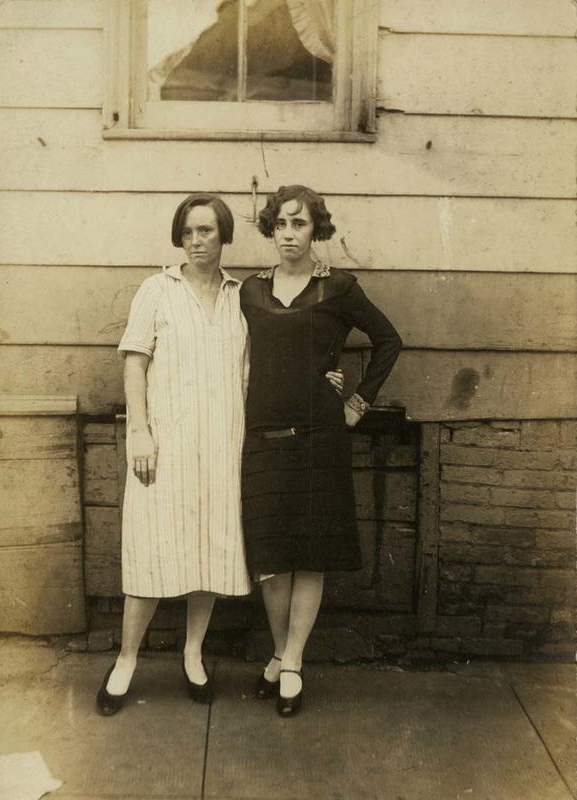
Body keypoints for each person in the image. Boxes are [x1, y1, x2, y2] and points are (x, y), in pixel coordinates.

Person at [96, 193, 343, 715]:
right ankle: (125, 659)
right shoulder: (157, 290)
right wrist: (138, 431)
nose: (197, 241)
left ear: (224, 235)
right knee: (151, 550)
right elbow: (135, 364)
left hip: (227, 447)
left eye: (206, 231)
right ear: (179, 237)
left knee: (206, 553)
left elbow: (279, 352)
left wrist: (326, 377)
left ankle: (192, 654)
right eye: (188, 232)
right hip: (164, 448)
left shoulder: (243, 296)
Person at [240, 185, 402, 717]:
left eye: (300, 224)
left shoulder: (339, 287)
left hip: (319, 439)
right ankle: (281, 654)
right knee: (271, 557)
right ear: (270, 229)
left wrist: (356, 400)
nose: (289, 234)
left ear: (317, 230)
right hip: (262, 436)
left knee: (309, 555)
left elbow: (388, 340)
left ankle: (290, 664)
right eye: (281, 224)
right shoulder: (249, 292)